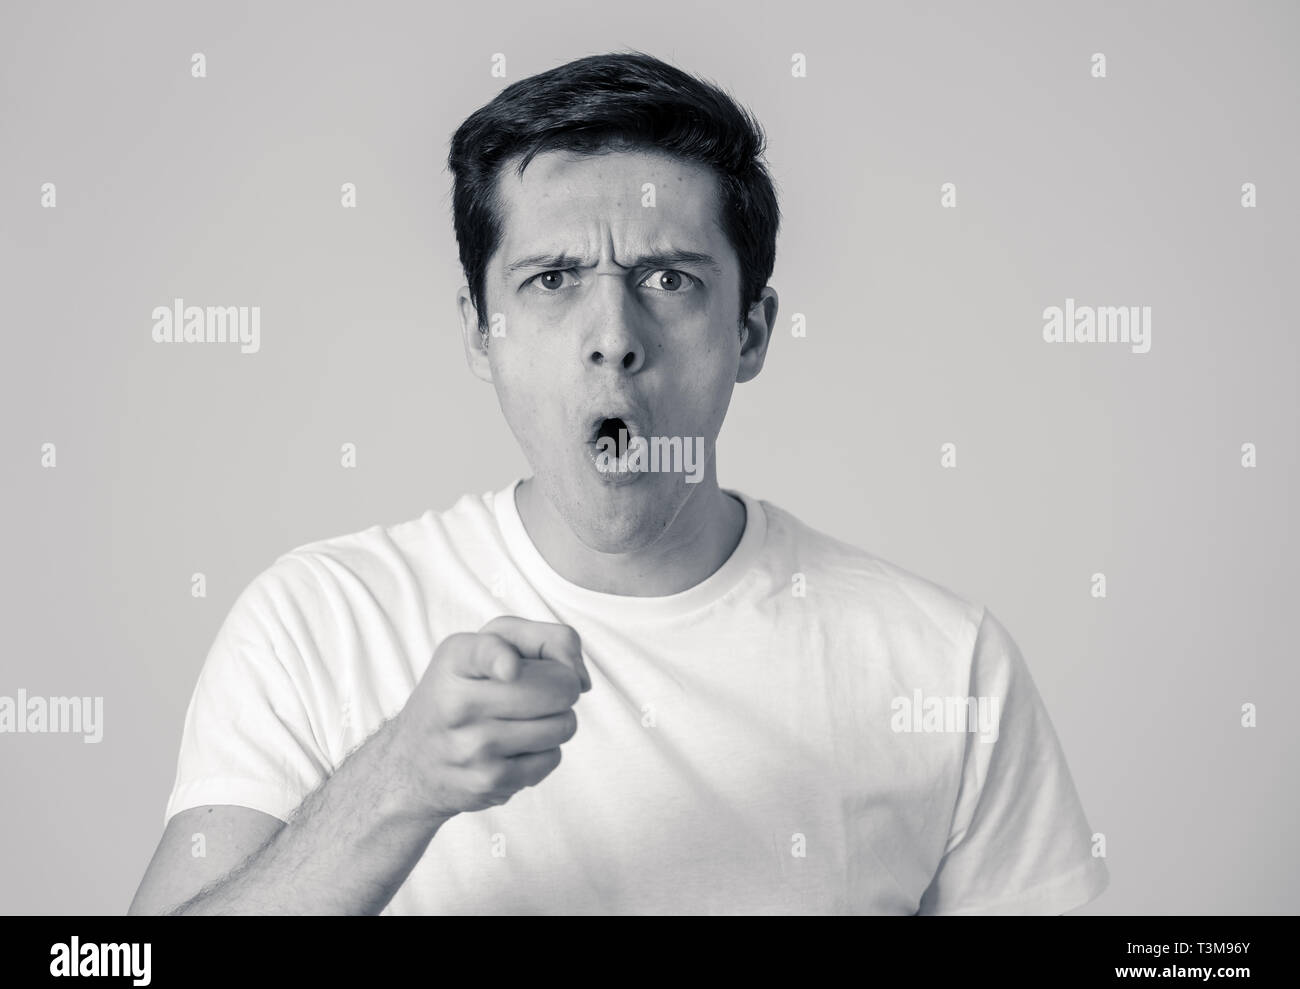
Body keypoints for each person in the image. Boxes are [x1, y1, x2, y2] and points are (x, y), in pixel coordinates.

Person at [129, 50, 1108, 915]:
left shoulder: (943, 665)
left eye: (669, 278)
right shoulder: (319, 621)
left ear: (752, 332)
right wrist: (398, 781)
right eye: (551, 279)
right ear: (480, 331)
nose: (613, 339)